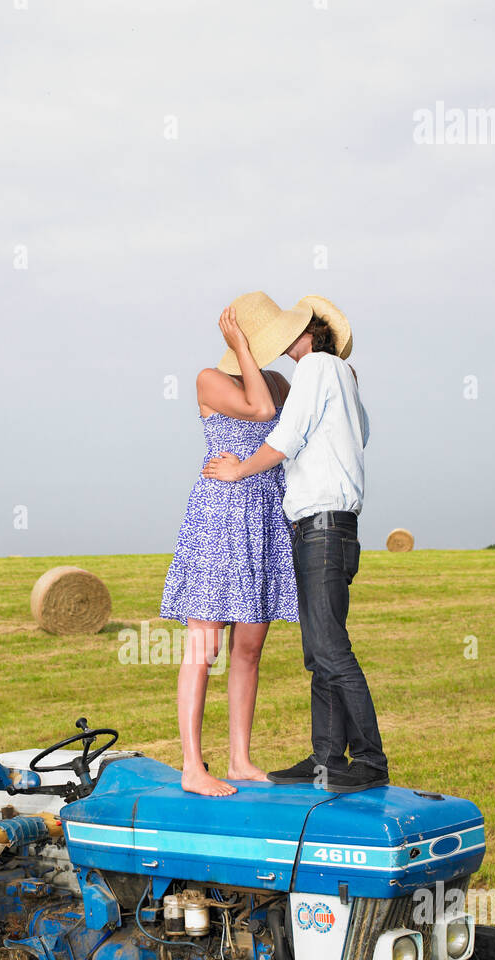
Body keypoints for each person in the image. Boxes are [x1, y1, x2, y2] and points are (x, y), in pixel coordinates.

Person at [202, 294, 389, 792]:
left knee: (330, 650)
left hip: (321, 527)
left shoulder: (316, 369)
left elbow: (287, 433)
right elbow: (361, 433)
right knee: (319, 651)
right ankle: (326, 757)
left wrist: (238, 468)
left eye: (287, 336)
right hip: (335, 527)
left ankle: (369, 760)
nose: (282, 348)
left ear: (309, 330)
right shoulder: (342, 376)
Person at [160, 292, 308, 796]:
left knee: (249, 647)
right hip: (221, 515)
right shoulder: (210, 379)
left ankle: (240, 759)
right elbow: (262, 409)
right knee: (204, 645)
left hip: (266, 515)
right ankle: (192, 767)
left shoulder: (280, 381)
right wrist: (241, 348)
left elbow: (295, 426)